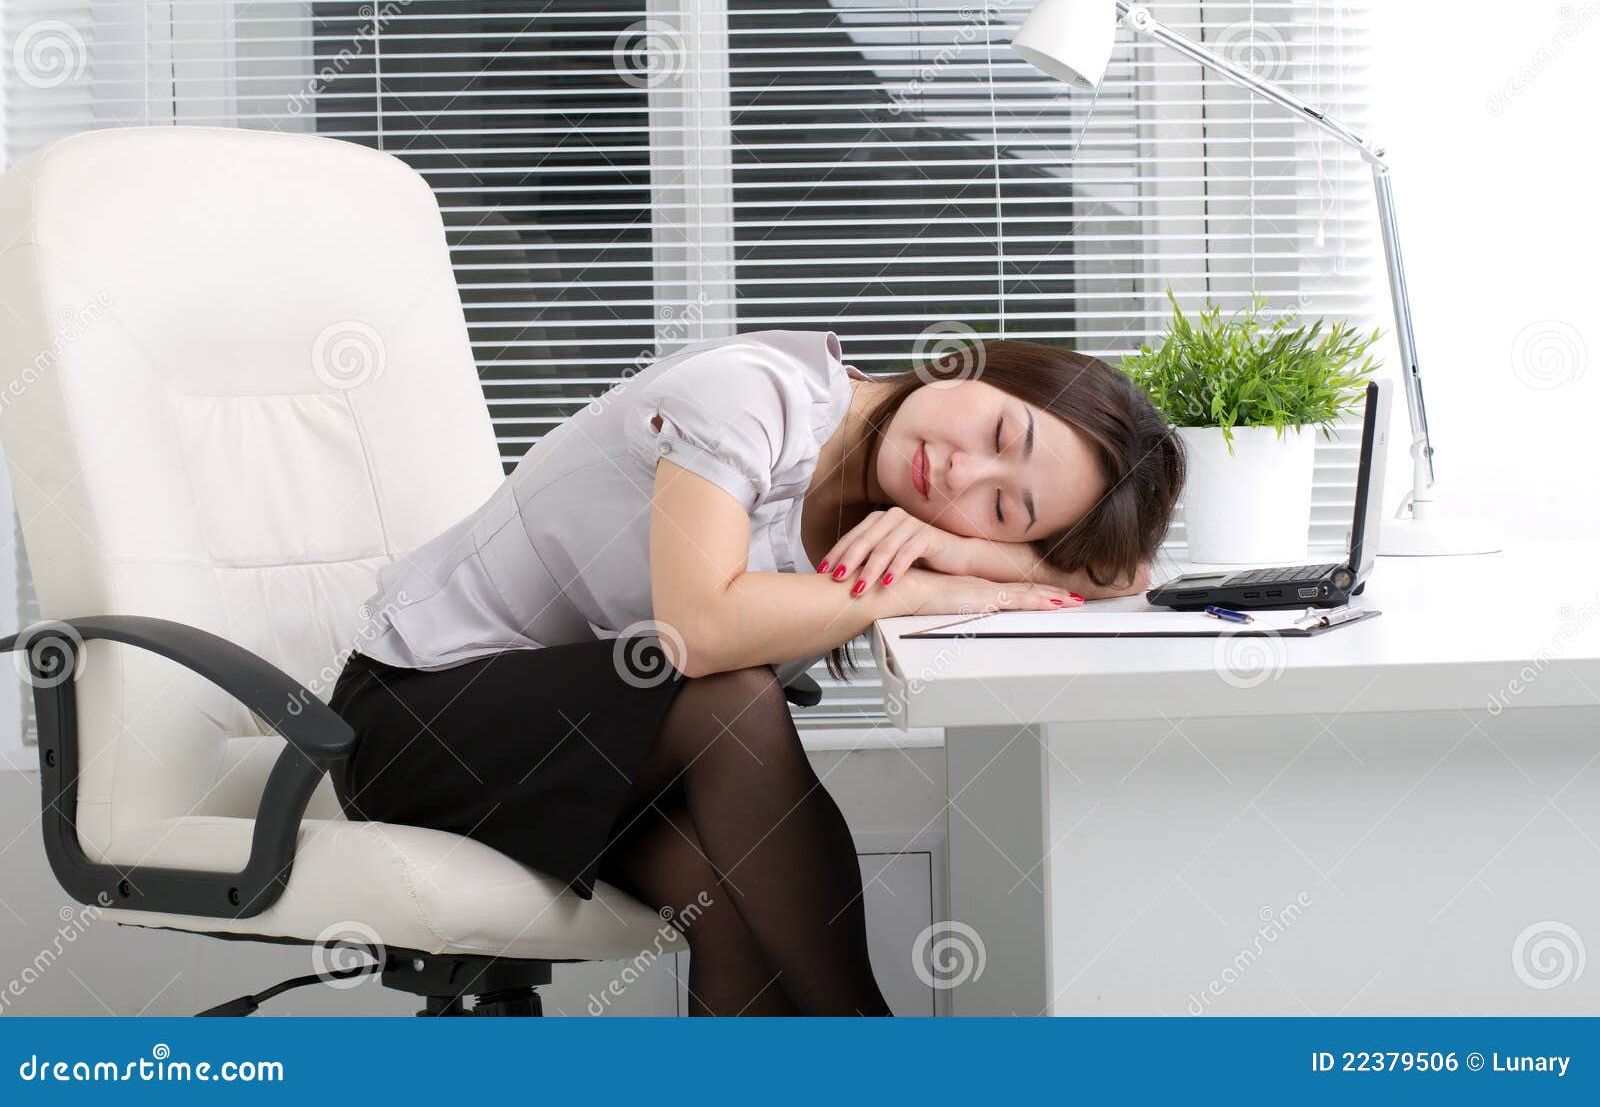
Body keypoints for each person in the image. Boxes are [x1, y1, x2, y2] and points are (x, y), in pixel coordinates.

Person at [327, 329, 1185, 1016]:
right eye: (1000, 433)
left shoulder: (884, 515)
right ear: (989, 368)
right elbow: (695, 632)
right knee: (732, 694)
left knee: (735, 913)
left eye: (1004, 507)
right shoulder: (756, 395)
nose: (964, 471)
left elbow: (1126, 576)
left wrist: (965, 548)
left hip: (585, 756)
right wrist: (923, 587)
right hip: (416, 721)